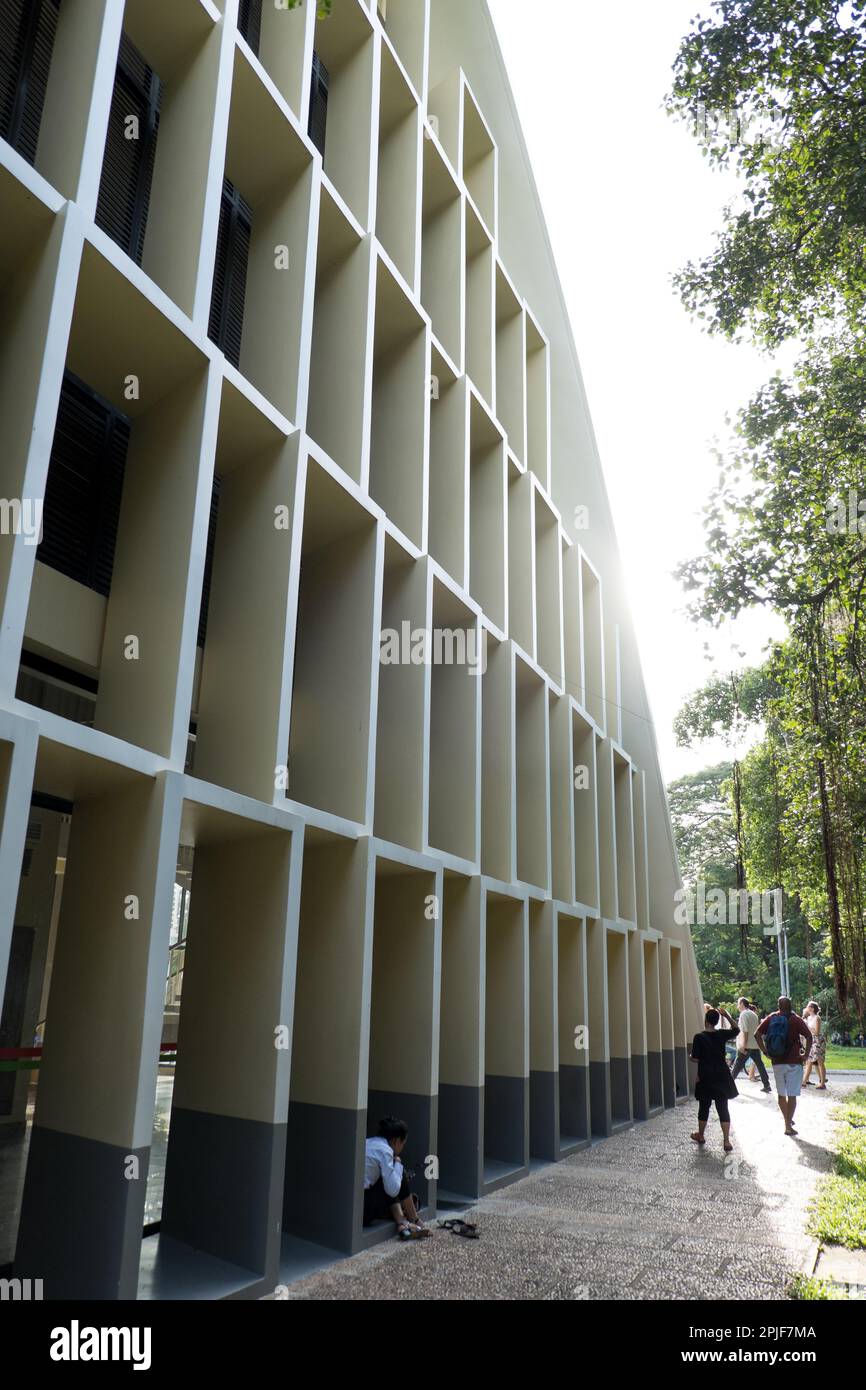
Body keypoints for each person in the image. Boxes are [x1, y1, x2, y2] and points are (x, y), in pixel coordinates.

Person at [363, 1116, 430, 1239]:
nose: (402, 1148)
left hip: (358, 1206)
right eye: (403, 1144)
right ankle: (413, 1219)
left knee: (389, 1175)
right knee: (396, 1173)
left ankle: (402, 1221)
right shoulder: (385, 1151)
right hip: (364, 1212)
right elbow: (393, 1190)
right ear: (396, 1141)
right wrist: (398, 1163)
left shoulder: (368, 1142)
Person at [755, 997, 813, 1137]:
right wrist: (805, 1055)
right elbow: (809, 1036)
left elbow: (757, 1034)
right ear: (791, 1005)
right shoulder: (796, 1019)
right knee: (792, 1095)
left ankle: (787, 1123)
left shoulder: (771, 1017)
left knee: (781, 1094)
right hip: (794, 1061)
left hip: (777, 1061)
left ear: (778, 1006)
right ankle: (788, 1125)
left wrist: (765, 1052)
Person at [689, 1005, 739, 1152]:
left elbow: (695, 1058)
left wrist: (691, 1057)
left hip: (705, 1076)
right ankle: (726, 1140)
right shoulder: (721, 1034)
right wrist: (727, 1015)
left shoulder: (699, 1037)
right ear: (717, 1021)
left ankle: (701, 1135)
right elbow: (736, 1030)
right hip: (722, 1075)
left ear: (706, 1020)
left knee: (704, 1106)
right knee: (722, 1107)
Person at [730, 996, 771, 1093]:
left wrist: (743, 1046)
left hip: (746, 1045)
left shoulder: (743, 1014)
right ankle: (767, 1084)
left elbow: (745, 1031)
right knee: (760, 1065)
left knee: (737, 1066)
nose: (737, 1005)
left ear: (742, 1004)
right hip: (755, 1044)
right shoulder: (754, 1014)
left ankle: (728, 1085)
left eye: (738, 1003)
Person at [802, 1001, 827, 1090]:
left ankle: (822, 1083)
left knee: (819, 1062)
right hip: (811, 1041)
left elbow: (816, 1032)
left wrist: (806, 1026)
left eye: (808, 1006)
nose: (806, 1008)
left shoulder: (817, 1018)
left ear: (812, 1008)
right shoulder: (808, 1018)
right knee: (808, 1061)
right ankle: (804, 1082)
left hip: (818, 1041)